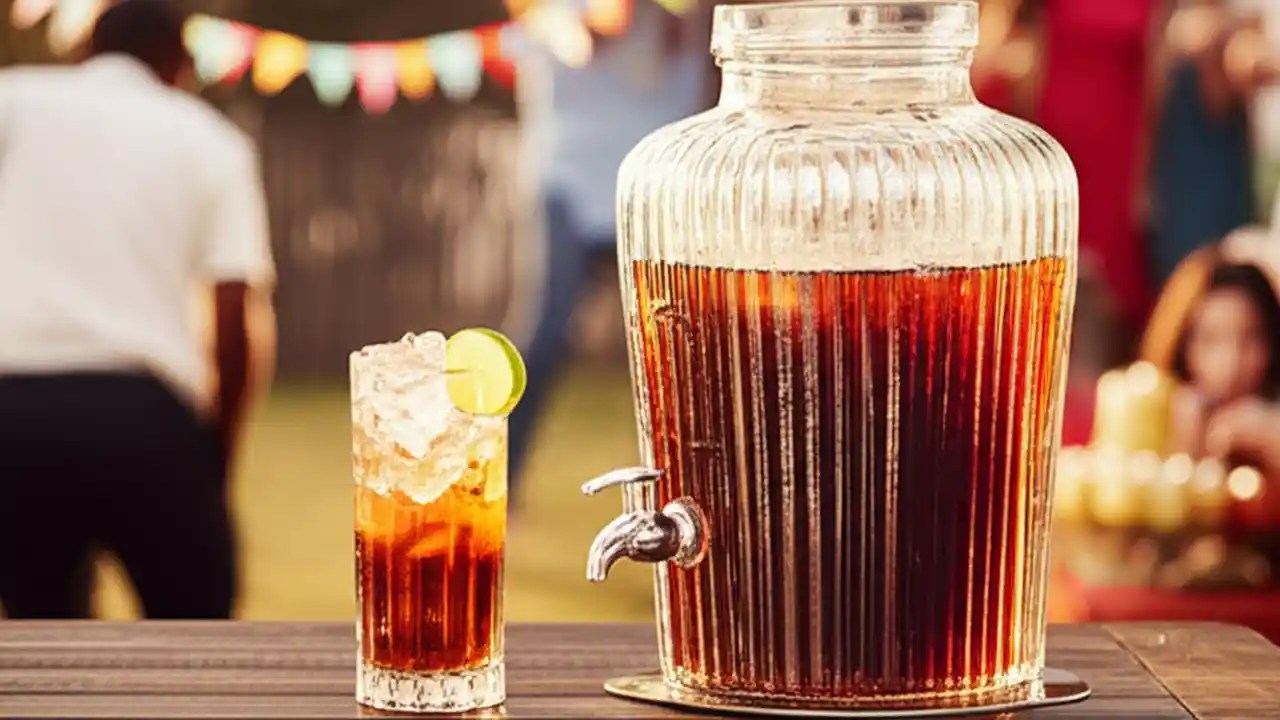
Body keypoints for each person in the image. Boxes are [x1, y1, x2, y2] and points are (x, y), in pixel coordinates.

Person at [0, 0, 276, 619]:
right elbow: (235, 312)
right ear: (181, 66)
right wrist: (214, 457)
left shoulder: (12, 101)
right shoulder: (209, 139)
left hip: (11, 414)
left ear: (85, 50)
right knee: (201, 632)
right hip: (144, 416)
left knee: (44, 639)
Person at [509, 0, 711, 488]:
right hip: (571, 192)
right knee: (546, 334)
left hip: (652, 197)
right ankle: (499, 479)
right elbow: (568, 40)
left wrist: (681, 26)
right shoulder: (555, 14)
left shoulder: (683, 22)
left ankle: (693, 483)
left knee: (682, 345)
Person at [1141, 246, 1280, 477]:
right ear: (1181, 345)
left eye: (1251, 338)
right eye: (1211, 340)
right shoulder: (1149, 415)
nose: (1232, 361)